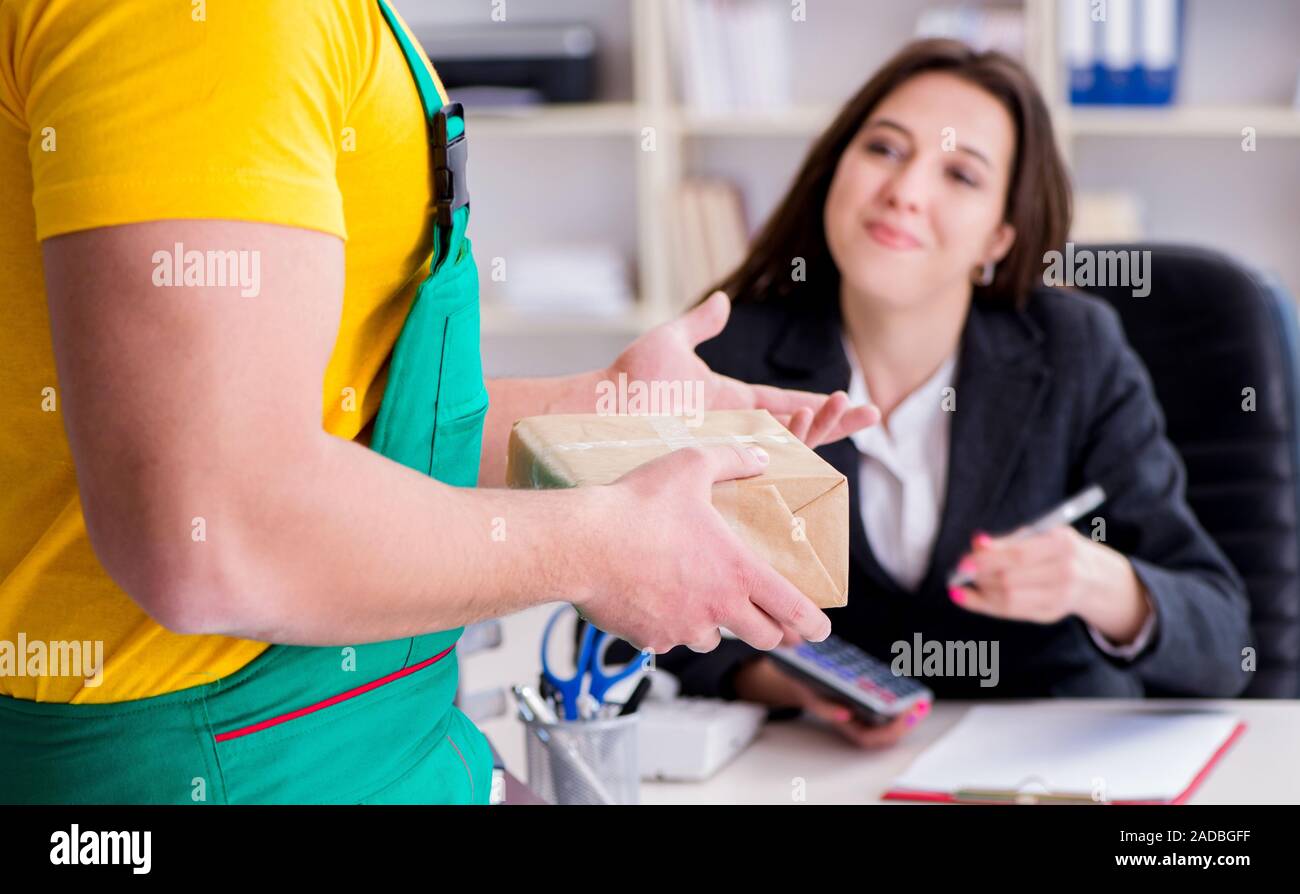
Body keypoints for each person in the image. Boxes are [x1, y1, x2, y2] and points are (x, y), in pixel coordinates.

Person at [0, 0, 875, 803]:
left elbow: (333, 425)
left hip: (367, 738)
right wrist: (601, 549)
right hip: (224, 765)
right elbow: (217, 530)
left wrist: (604, 411)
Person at [657, 38, 1253, 749]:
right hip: (822, 772)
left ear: (999, 238)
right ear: (835, 167)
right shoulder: (731, 356)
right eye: (884, 149)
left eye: (961, 175)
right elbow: (627, 612)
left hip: (1045, 766)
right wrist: (783, 680)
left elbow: (1226, 642)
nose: (906, 191)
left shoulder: (1076, 351)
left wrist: (1101, 584)